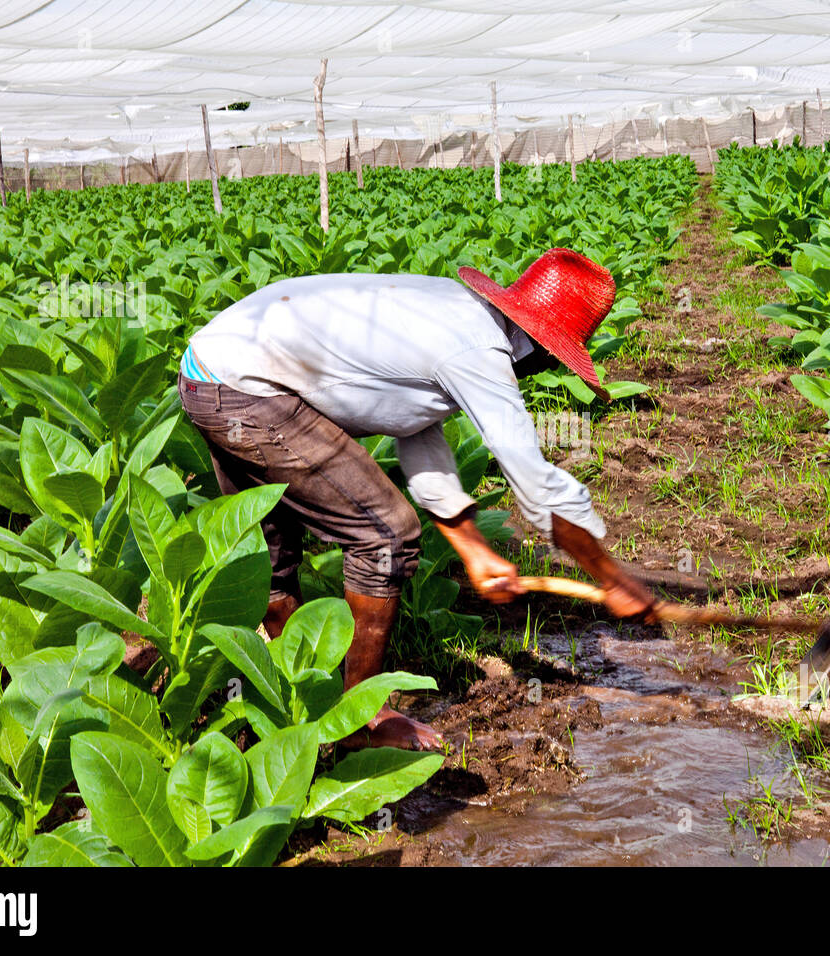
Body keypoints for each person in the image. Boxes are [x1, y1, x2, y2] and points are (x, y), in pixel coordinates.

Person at [177, 247, 658, 750]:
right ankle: (362, 721)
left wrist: (475, 550)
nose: (545, 368)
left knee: (272, 549)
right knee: (385, 533)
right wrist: (615, 579)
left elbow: (415, 428)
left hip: (209, 372)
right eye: (556, 356)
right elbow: (537, 485)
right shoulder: (477, 352)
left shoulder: (455, 312)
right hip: (246, 388)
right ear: (539, 343)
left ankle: (295, 697)